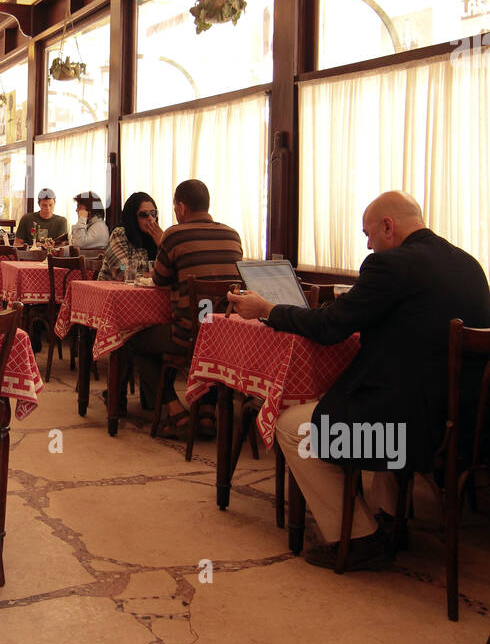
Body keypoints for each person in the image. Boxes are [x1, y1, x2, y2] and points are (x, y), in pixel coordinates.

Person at [228, 192, 490, 569]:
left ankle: (359, 537)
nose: (368, 244)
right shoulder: (469, 264)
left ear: (389, 226)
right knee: (385, 395)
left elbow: (330, 327)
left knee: (291, 426)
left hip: (406, 430)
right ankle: (389, 516)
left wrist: (267, 309)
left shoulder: (391, 265)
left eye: (369, 234)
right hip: (463, 426)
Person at [131, 179, 243, 437]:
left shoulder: (174, 235)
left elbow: (159, 280)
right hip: (227, 337)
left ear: (181, 207)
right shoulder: (232, 235)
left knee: (133, 337)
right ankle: (206, 411)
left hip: (188, 336)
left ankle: (174, 410)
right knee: (211, 332)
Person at [98, 192, 160, 280]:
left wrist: (163, 245)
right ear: (133, 217)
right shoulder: (120, 234)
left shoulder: (156, 237)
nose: (150, 218)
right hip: (114, 291)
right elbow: (121, 269)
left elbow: (168, 271)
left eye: (153, 213)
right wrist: (148, 276)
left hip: (144, 292)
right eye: (144, 214)